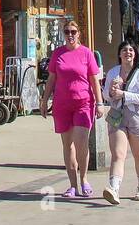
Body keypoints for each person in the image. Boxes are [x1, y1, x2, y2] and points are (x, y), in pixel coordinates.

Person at [40, 22, 103, 198]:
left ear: (79, 34)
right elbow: (51, 79)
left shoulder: (86, 53)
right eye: (67, 31)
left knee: (81, 142)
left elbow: (94, 80)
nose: (70, 34)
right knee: (67, 145)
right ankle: (72, 185)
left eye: (73, 31)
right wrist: (45, 101)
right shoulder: (58, 54)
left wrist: (99, 103)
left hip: (83, 103)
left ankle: (84, 179)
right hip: (62, 105)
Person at [101, 41, 139, 205]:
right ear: (119, 54)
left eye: (131, 50)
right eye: (124, 50)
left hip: (137, 116)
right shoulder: (113, 72)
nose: (127, 52)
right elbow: (106, 94)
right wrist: (110, 92)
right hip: (117, 115)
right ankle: (114, 188)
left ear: (135, 54)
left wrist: (123, 94)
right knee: (118, 154)